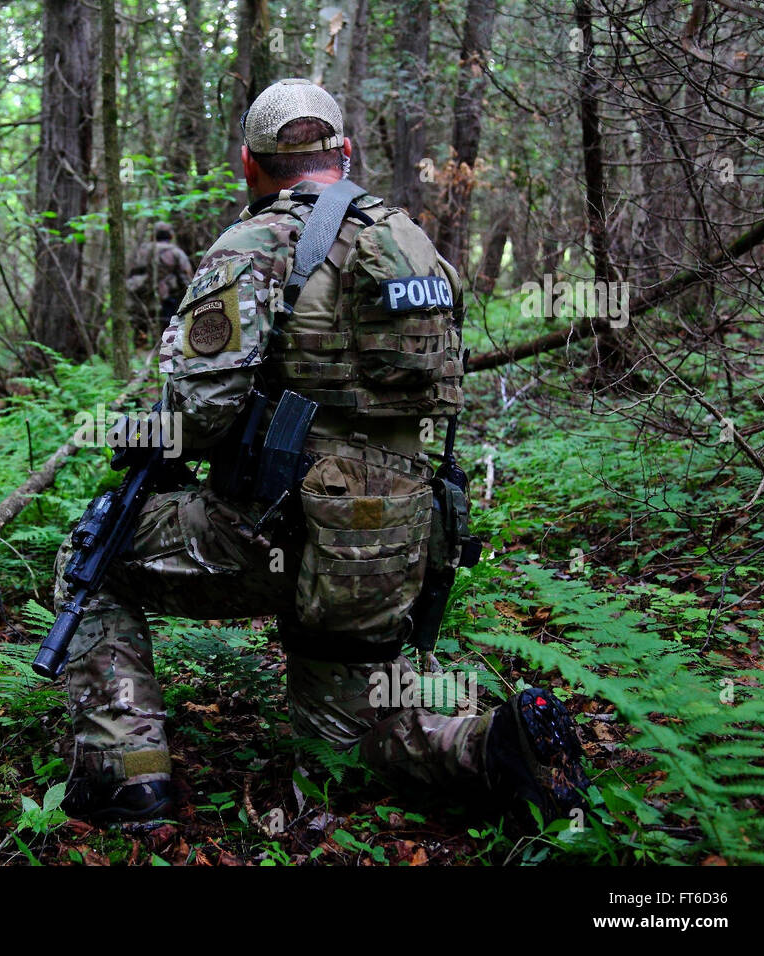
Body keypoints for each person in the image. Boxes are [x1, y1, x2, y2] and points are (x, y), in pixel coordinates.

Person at [55, 78, 590, 825]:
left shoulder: (255, 243)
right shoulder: (412, 245)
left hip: (284, 530)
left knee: (93, 555)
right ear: (347, 152)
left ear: (250, 162)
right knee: (354, 732)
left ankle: (129, 775)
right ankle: (495, 747)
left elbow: (201, 412)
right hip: (395, 541)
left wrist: (139, 432)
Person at [126, 222, 193, 334]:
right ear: (171, 236)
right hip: (166, 298)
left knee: (140, 329)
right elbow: (186, 278)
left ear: (153, 235)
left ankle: (141, 346)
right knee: (167, 331)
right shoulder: (176, 253)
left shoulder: (140, 251)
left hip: (141, 297)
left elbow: (130, 273)